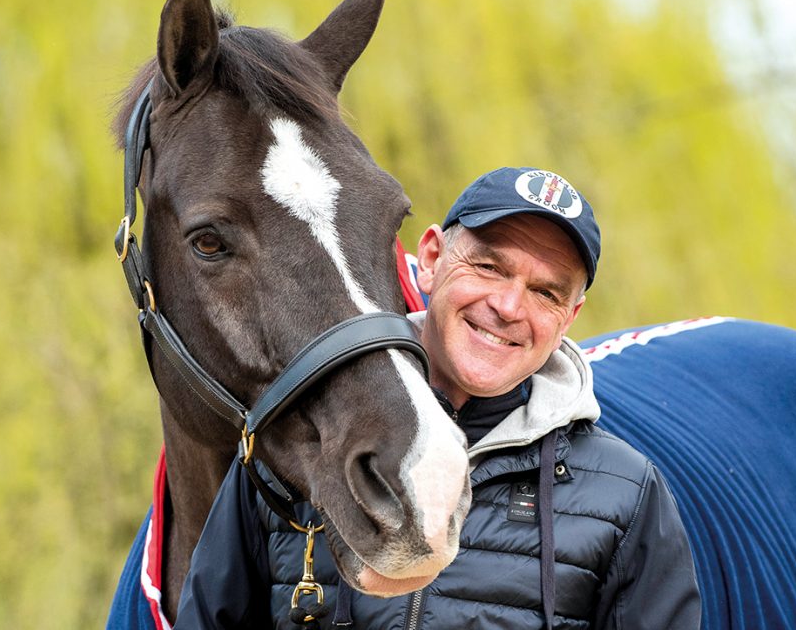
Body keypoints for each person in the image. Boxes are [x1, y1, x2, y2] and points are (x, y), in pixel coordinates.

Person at [173, 166, 701, 629]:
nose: (509, 306)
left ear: (570, 317)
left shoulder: (624, 497)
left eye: (546, 293)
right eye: (490, 267)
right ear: (430, 258)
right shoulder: (295, 445)